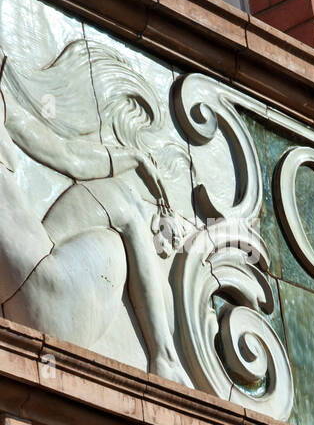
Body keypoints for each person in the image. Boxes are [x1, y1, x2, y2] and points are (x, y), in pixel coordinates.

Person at [0, 36, 189, 384]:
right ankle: (164, 357)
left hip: (29, 288)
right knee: (128, 205)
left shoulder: (3, 108)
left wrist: (130, 157)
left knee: (116, 200)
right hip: (46, 298)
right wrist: (132, 159)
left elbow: (68, 156)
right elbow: (66, 156)